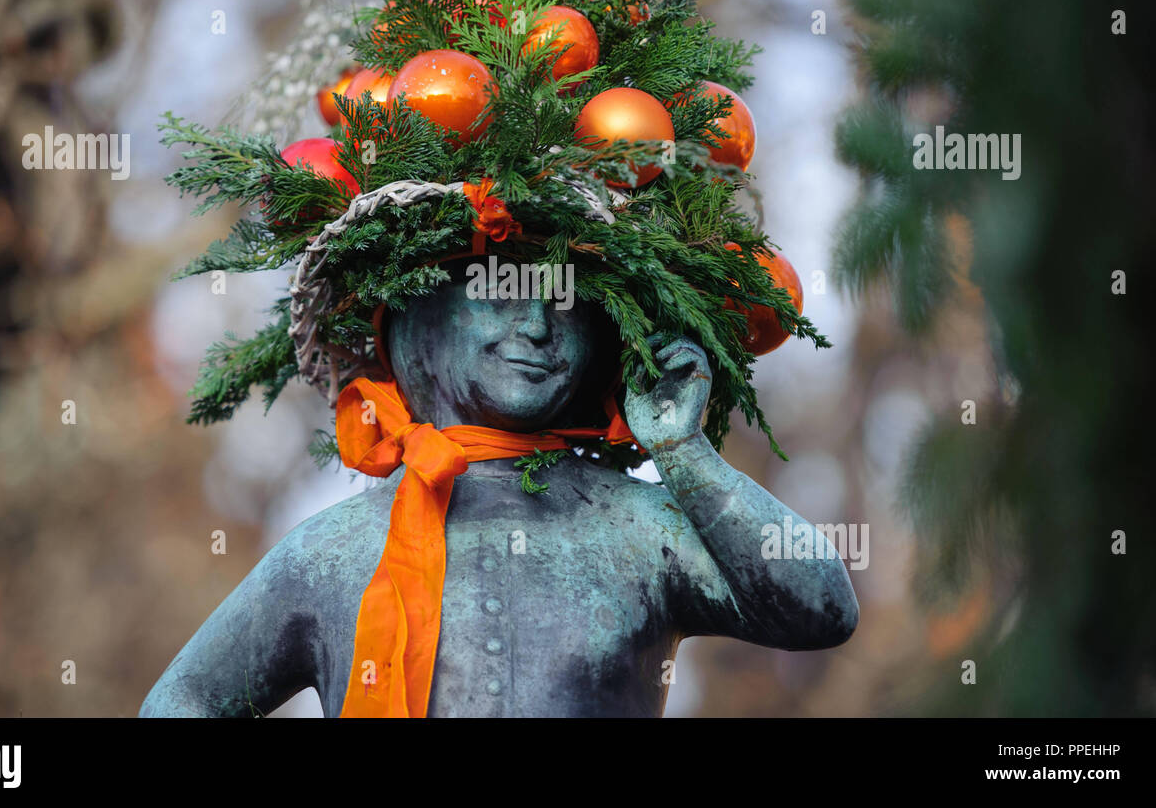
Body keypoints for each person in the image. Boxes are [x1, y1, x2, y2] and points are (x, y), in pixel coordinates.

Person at [141, 263, 857, 717]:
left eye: (566, 300)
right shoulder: (334, 550)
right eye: (497, 291)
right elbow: (185, 700)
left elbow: (822, 607)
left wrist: (684, 452)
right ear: (418, 315)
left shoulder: (641, 528)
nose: (538, 325)